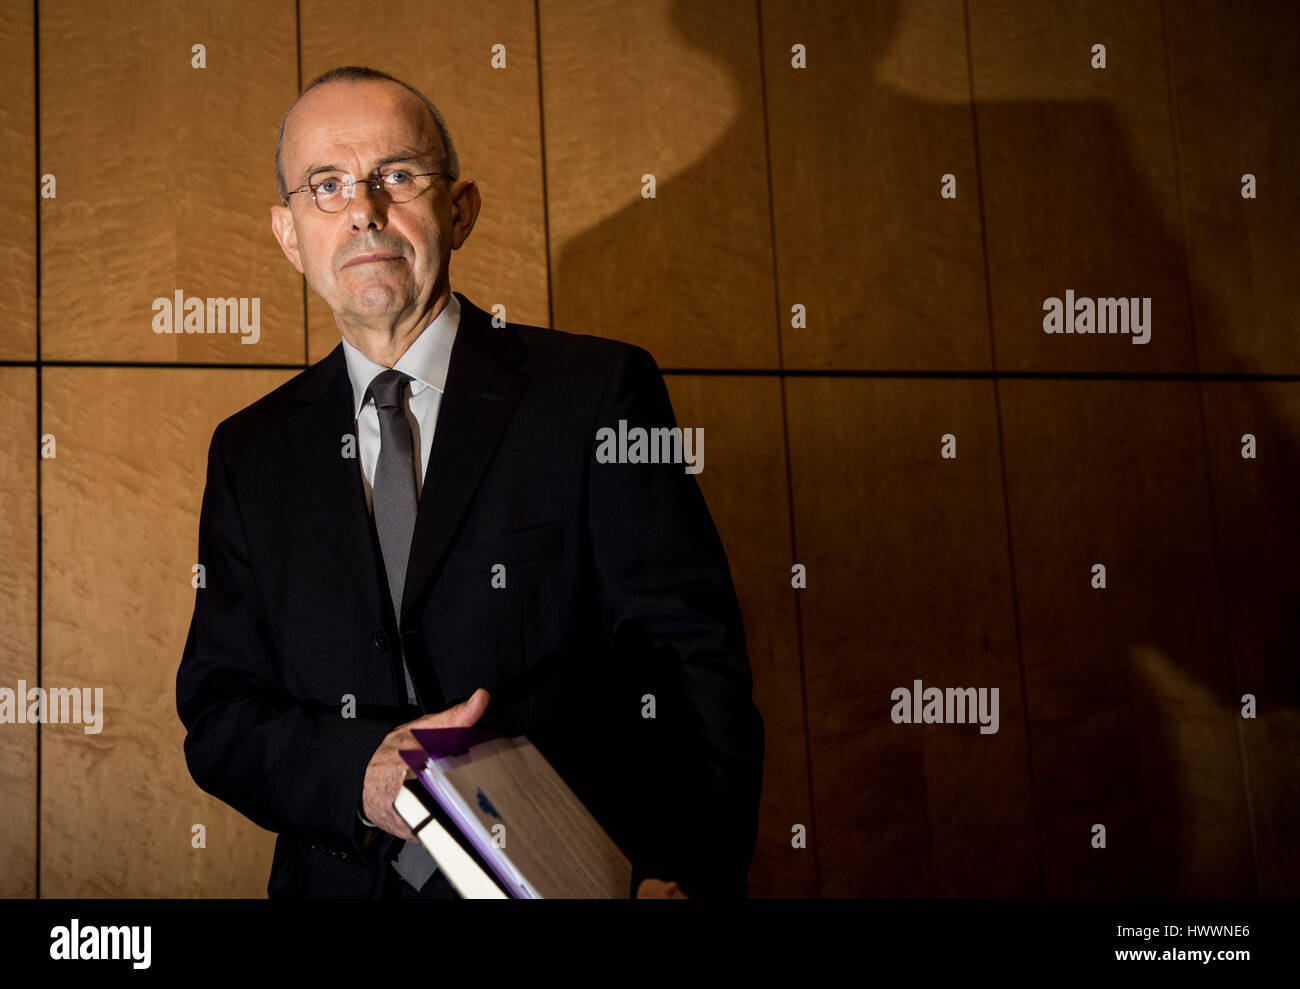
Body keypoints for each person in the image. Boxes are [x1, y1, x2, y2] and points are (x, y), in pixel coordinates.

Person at [175, 65, 764, 899]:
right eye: (327, 185)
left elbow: (690, 658)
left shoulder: (596, 393)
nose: (364, 210)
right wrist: (364, 774)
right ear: (287, 232)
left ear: (460, 209)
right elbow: (221, 711)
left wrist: (688, 871)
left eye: (398, 176)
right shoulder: (248, 452)